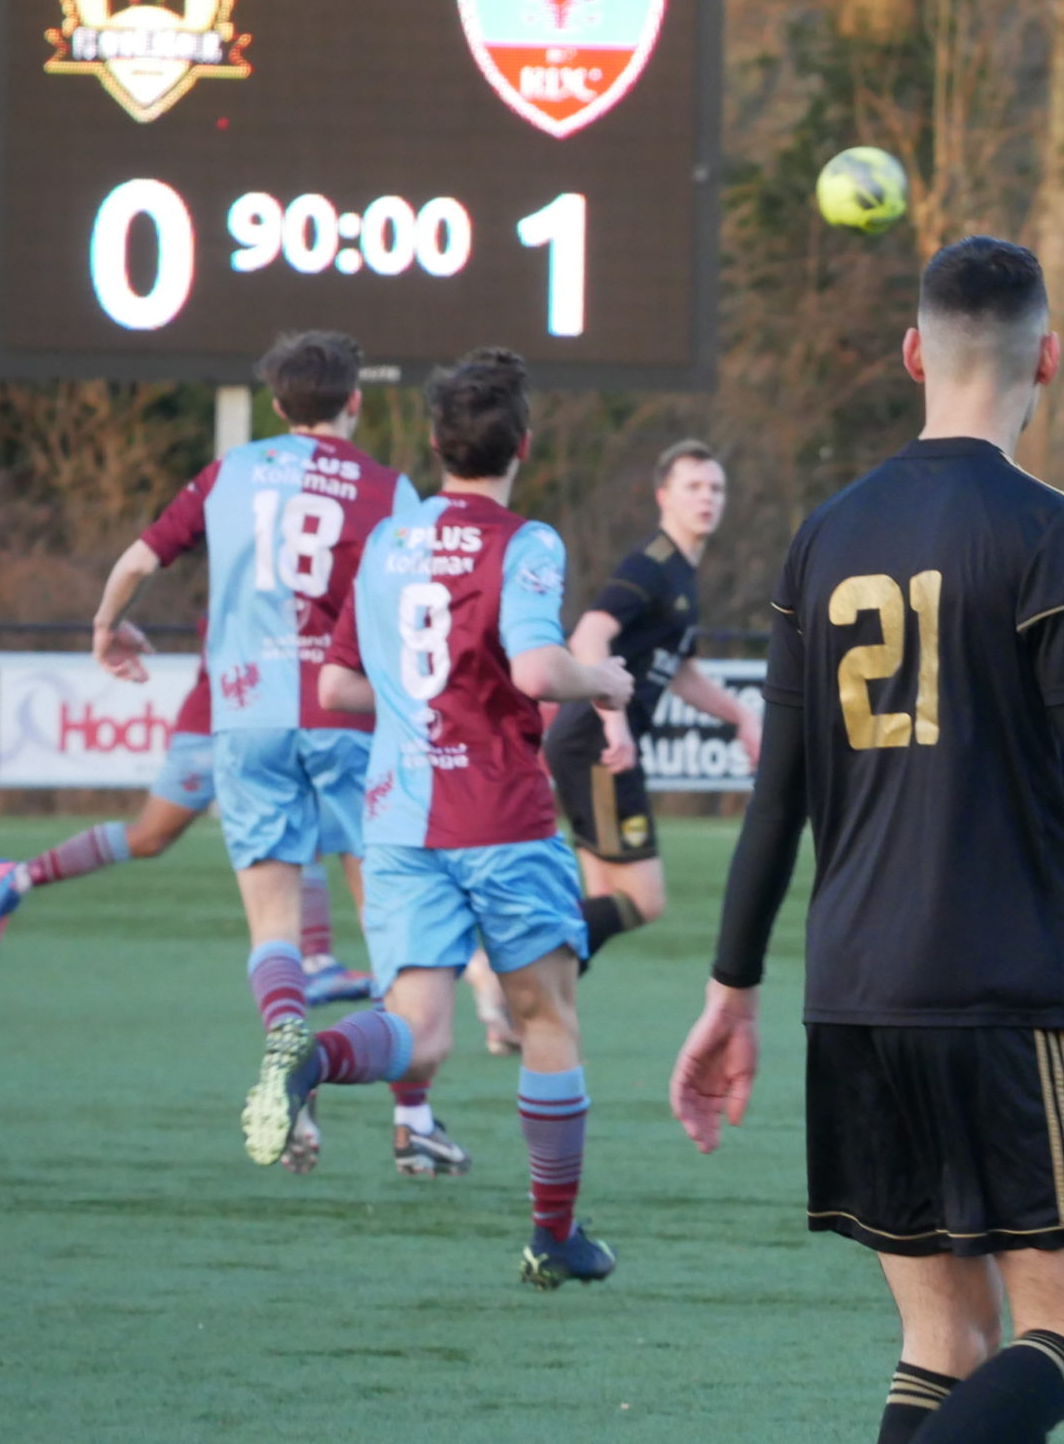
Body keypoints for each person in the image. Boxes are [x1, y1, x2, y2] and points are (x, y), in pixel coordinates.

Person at [670, 235, 1064, 1444]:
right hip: (997, 995)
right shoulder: (1048, 532)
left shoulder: (826, 533)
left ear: (914, 352)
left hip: (853, 994)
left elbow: (778, 795)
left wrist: (731, 992)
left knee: (943, 1345)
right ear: (1048, 359)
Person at [271, 347, 635, 1289]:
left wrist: (411, 705)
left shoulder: (391, 539)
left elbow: (342, 680)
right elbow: (535, 672)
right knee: (545, 1015)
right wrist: (602, 679)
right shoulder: (527, 540)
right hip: (502, 817)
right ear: (522, 443)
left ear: (434, 443)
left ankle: (312, 1063)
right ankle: (552, 1235)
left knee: (420, 1030)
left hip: (398, 817)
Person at [88, 330, 464, 1175]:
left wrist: (108, 625)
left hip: (246, 716)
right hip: (346, 718)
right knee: (389, 927)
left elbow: (141, 557)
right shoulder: (388, 488)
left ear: (277, 404)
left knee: (275, 926)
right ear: (354, 400)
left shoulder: (231, 473)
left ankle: (295, 1112)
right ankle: (414, 1124)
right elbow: (423, 603)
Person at [0, 656, 376, 1006]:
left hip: (282, 719)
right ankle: (18, 876)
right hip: (219, 717)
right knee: (151, 836)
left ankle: (318, 962)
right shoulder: (250, 577)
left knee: (300, 826)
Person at [543, 439, 763, 971]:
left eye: (715, 488)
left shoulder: (683, 574)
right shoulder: (652, 564)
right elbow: (589, 637)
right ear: (664, 496)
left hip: (590, 744)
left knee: (602, 897)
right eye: (693, 486)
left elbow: (682, 671)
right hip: (598, 744)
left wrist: (742, 716)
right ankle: (504, 964)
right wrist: (614, 722)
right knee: (644, 899)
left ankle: (542, 1014)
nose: (706, 497)